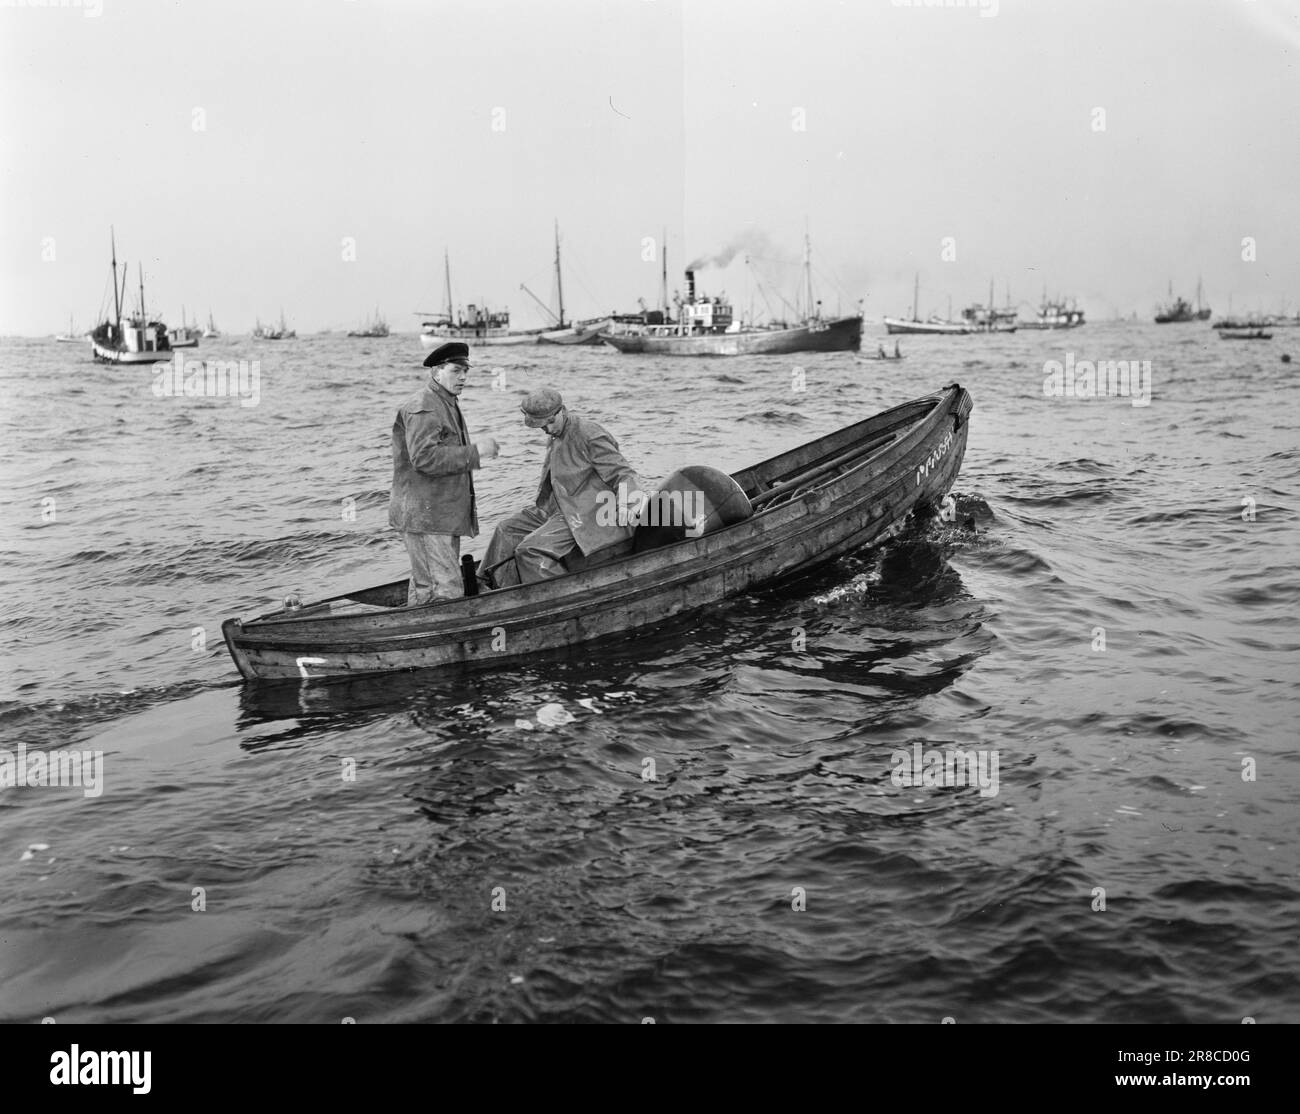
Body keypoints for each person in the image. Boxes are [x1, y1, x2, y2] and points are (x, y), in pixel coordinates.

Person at [480, 387, 646, 587]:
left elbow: (623, 473)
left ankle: (563, 595)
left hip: (587, 513)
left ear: (562, 410)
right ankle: (495, 589)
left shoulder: (588, 433)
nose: (547, 429)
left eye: (550, 422)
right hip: (558, 507)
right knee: (505, 530)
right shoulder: (557, 433)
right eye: (542, 426)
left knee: (530, 550)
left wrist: (627, 504)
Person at [389, 341, 499, 605]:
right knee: (446, 590)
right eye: (456, 370)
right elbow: (424, 459)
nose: (463, 377)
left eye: (465, 371)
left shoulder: (445, 401)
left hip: (438, 514)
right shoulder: (425, 405)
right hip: (428, 516)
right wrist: (476, 452)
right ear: (437, 372)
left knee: (427, 588)